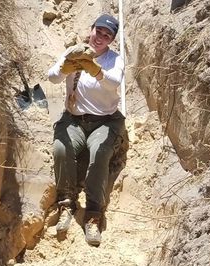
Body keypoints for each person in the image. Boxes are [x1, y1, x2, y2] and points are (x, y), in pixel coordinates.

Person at [47, 14, 127, 247]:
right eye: (98, 31)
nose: (100, 38)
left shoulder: (114, 59)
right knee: (61, 149)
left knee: (98, 154)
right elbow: (52, 78)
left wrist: (95, 69)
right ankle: (66, 203)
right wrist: (65, 67)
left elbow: (114, 82)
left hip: (105, 121)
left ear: (111, 40)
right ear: (91, 29)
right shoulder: (75, 51)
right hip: (75, 119)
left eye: (107, 35)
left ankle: (93, 212)